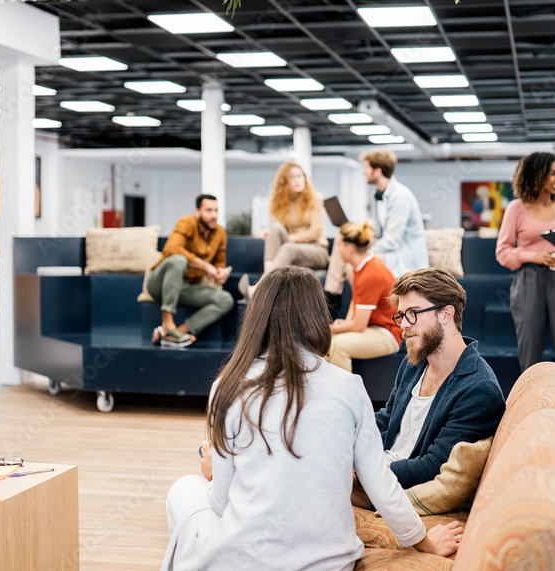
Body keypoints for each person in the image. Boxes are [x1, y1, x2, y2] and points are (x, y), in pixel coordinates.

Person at [162, 266, 462, 570]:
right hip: (331, 563)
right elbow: (381, 484)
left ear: (256, 317)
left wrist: (217, 473)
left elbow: (221, 503)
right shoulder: (350, 386)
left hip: (248, 561)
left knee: (184, 488)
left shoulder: (226, 386)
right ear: (317, 316)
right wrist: (423, 541)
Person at [376, 268, 506, 488]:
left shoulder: (479, 390)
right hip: (380, 468)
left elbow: (432, 467)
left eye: (413, 313)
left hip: (397, 486)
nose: (404, 325)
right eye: (401, 316)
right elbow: (388, 419)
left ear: (446, 314)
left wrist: (365, 473)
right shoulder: (414, 363)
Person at [495, 152, 555, 380]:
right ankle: (529, 401)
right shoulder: (516, 208)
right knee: (530, 354)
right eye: (552, 173)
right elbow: (503, 252)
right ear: (537, 174)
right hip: (529, 280)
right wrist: (535, 256)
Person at [324, 149, 428, 314]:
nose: (364, 171)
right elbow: (378, 232)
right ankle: (332, 294)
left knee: (357, 262)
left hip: (403, 255)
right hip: (389, 248)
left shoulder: (400, 196)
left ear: (377, 171)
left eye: (367, 167)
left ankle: (357, 314)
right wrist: (357, 235)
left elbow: (392, 241)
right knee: (343, 236)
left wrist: (364, 252)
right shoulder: (378, 194)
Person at [146, 194, 234, 348]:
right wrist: (205, 266)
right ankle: (167, 324)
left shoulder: (220, 233)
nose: (214, 215)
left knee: (225, 300)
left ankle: (174, 334)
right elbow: (173, 249)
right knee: (179, 260)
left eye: (216, 210)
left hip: (186, 287)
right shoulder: (187, 222)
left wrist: (220, 273)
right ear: (197, 212)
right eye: (208, 210)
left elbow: (220, 262)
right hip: (159, 284)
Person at [239, 161, 329, 300]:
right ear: (284, 181)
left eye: (300, 176)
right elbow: (276, 228)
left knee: (288, 248)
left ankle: (260, 287)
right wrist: (268, 234)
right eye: (292, 177)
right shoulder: (279, 202)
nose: (297, 180)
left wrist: (292, 238)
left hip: (316, 250)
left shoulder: (315, 198)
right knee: (274, 230)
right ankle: (266, 281)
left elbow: (315, 232)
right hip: (293, 247)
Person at [326, 221, 402, 372]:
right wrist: (345, 323)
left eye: (339, 245)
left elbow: (359, 325)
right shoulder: (360, 266)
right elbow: (356, 300)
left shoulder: (370, 274)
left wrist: (330, 329)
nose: (337, 249)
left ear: (349, 249)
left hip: (387, 333)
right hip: (373, 328)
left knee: (336, 345)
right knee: (326, 341)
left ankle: (345, 388)